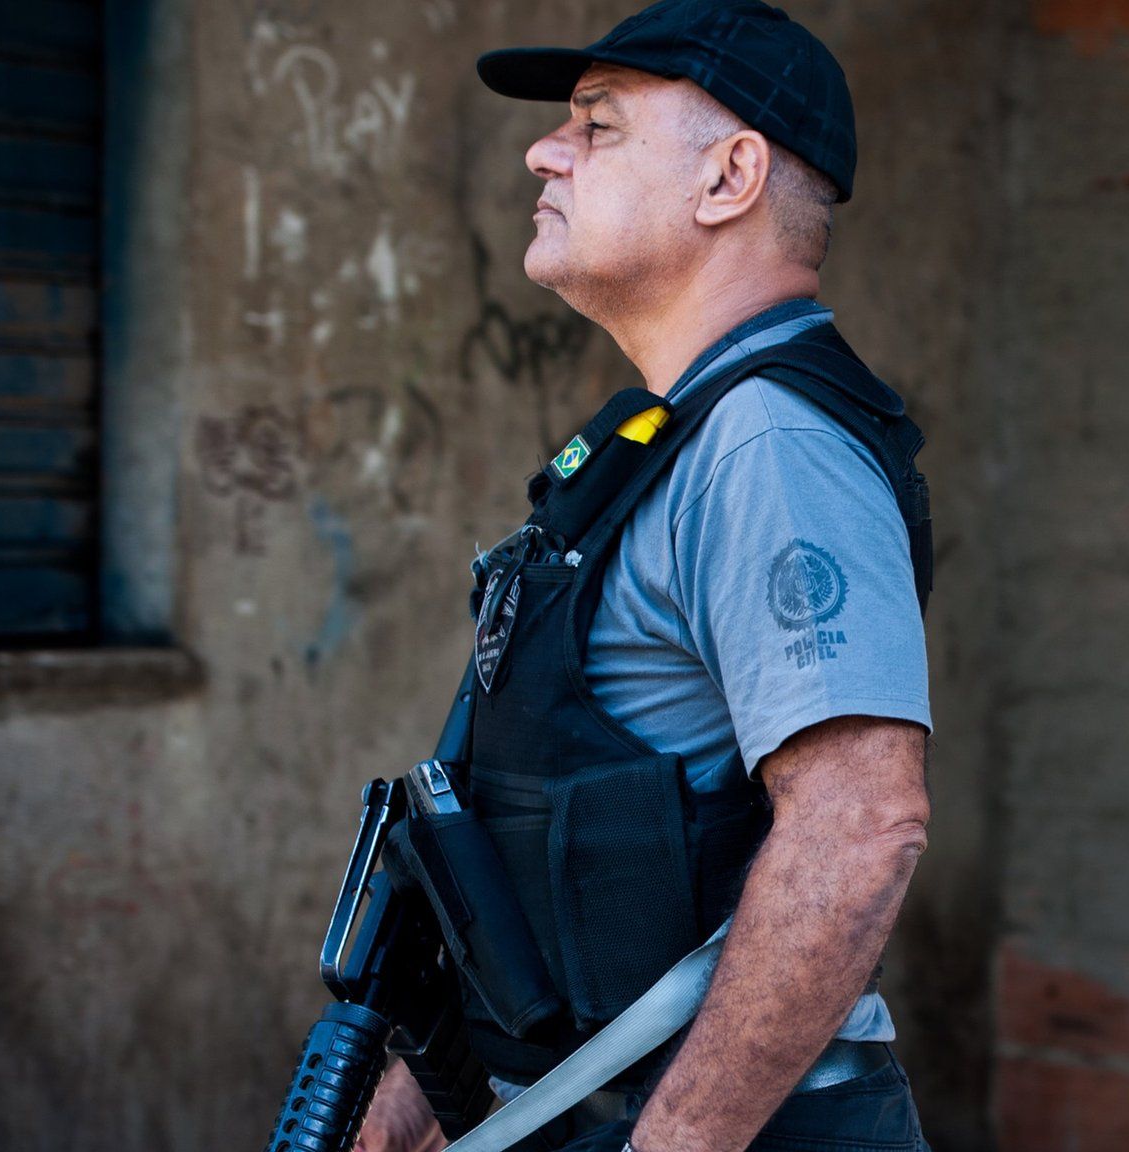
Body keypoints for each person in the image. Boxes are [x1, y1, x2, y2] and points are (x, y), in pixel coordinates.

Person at [355, 2, 935, 1149]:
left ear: (728, 178)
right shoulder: (661, 447)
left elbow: (860, 826)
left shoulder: (771, 447)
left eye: (598, 125)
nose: (543, 149)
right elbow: (533, 854)